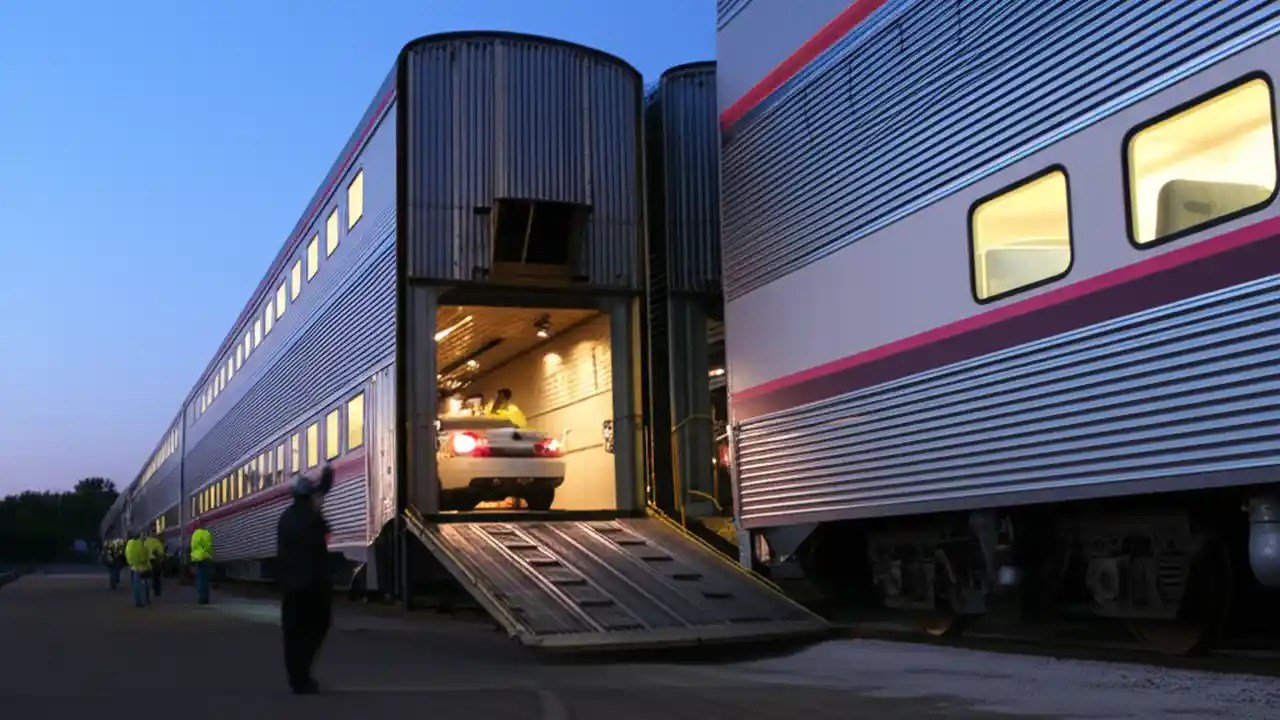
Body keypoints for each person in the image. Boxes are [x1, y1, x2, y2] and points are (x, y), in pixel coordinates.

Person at [276, 465, 334, 695]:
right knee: (316, 628)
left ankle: (297, 678)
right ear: (307, 496)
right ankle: (303, 676)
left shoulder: (285, 517)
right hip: (313, 586)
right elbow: (323, 535)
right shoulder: (311, 517)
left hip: (290, 587)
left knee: (292, 634)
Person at [124, 534, 151, 608]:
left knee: (136, 586)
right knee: (145, 585)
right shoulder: (142, 545)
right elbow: (145, 556)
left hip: (133, 567)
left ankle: (137, 600)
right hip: (143, 568)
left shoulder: (129, 544)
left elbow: (127, 554)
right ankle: (146, 599)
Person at [190, 521, 214, 605]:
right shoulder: (206, 533)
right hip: (205, 557)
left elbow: (193, 546)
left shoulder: (195, 534)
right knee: (205, 579)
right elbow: (208, 546)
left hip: (197, 558)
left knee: (199, 578)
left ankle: (200, 597)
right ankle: (205, 598)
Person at [144, 533, 165, 598]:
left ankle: (147, 592)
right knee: (157, 577)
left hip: (147, 561)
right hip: (155, 561)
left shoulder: (145, 542)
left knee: (147, 577)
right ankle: (157, 592)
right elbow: (161, 552)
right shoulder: (157, 542)